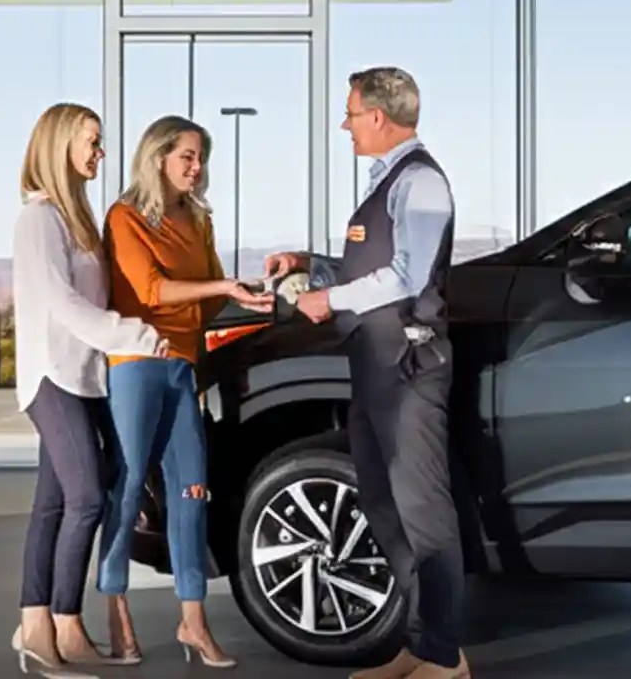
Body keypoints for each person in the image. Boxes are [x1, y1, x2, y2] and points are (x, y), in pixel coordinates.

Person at [265, 67, 469, 679]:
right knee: (383, 508)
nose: (345, 125)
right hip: (373, 371)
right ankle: (417, 643)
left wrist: (329, 300)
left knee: (424, 513)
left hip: (409, 370)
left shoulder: (422, 183)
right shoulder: (387, 186)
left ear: (378, 117)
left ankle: (444, 657)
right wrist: (312, 265)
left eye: (351, 114)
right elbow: (374, 265)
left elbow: (408, 275)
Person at [94, 114, 272, 668]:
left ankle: (193, 621)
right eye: (187, 157)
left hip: (182, 370)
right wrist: (219, 285)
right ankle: (115, 606)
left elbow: (213, 299)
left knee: (193, 491)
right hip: (136, 363)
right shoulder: (124, 218)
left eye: (201, 159)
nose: (197, 169)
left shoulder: (198, 220)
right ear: (158, 158)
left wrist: (266, 298)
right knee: (126, 493)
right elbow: (150, 290)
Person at [9, 102, 169, 673]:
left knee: (54, 503)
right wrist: (136, 335)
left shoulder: (73, 218)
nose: (101, 153)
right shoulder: (38, 222)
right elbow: (65, 305)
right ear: (60, 146)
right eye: (92, 143)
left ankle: (36, 623)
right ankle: (64, 624)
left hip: (84, 377)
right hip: (51, 377)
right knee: (87, 498)